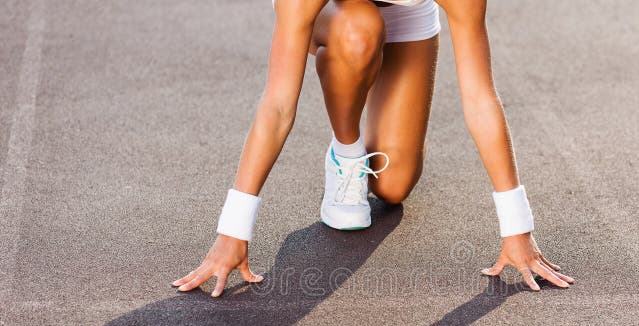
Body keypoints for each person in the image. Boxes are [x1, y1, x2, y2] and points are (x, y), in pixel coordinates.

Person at [172, 0, 574, 297]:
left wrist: (517, 228)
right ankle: (346, 150)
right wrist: (233, 231)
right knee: (358, 31)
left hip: (408, 17)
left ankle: (364, 144)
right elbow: (277, 105)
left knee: (393, 188)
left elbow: (480, 97)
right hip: (337, 16)